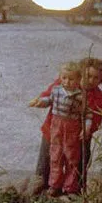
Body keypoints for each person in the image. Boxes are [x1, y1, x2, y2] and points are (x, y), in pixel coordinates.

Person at [28, 62, 87, 196]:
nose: (67, 81)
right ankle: (54, 185)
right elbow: (49, 100)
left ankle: (70, 187)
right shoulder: (57, 90)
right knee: (56, 156)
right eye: (64, 78)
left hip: (72, 129)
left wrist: (86, 127)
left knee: (71, 158)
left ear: (79, 80)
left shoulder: (81, 96)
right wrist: (40, 102)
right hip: (56, 127)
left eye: (71, 79)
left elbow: (87, 114)